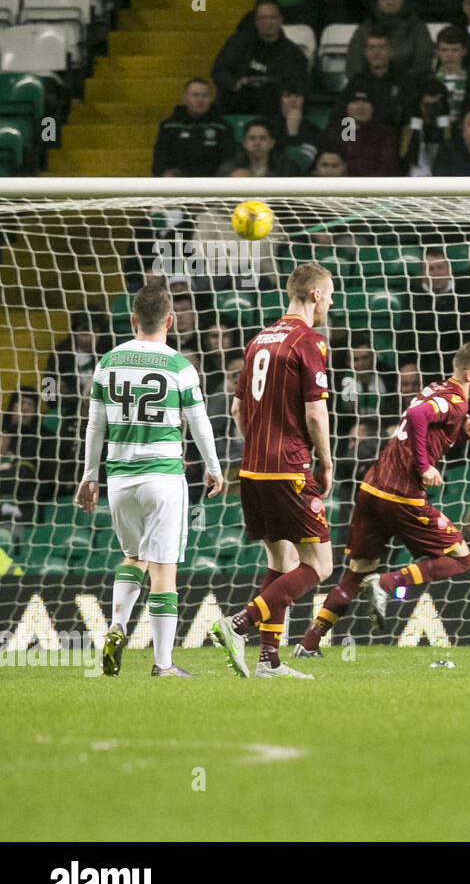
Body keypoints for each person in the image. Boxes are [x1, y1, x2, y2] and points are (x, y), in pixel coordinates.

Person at [294, 343, 470, 654]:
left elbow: (432, 432)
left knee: (356, 573)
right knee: (461, 558)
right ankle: (387, 584)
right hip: (402, 495)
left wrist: (465, 433)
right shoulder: (454, 400)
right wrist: (425, 466)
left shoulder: (435, 389)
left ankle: (309, 643)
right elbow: (416, 415)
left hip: (372, 488)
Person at [76, 283, 224, 678]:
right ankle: (162, 663)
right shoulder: (179, 365)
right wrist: (213, 466)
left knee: (132, 558)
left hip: (119, 480)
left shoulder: (108, 361)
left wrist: (90, 476)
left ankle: (116, 628)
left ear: (132, 319)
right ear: (170, 321)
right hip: (162, 477)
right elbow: (198, 423)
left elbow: (94, 426)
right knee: (163, 571)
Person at [209, 263, 336, 680]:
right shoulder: (309, 340)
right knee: (320, 565)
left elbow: (237, 408)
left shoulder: (258, 340)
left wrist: (256, 447)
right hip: (289, 465)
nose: (330, 304)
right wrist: (326, 460)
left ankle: (269, 660)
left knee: (281, 560)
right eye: (330, 295)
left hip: (253, 467)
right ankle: (238, 624)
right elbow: (316, 414)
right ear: (315, 293)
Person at [211, 0, 310, 116]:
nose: (268, 22)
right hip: (237, 107)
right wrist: (235, 84)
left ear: (280, 20)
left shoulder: (294, 54)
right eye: (263, 18)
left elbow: (299, 86)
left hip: (273, 111)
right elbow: (219, 72)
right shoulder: (237, 44)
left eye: (273, 17)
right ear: (256, 21)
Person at [345, 0, 436, 82]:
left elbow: (422, 65)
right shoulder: (365, 28)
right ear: (377, 1)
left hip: (409, 87)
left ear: (404, 0)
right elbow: (354, 66)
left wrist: (398, 85)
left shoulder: (418, 27)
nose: (391, 2)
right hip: (371, 88)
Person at [152, 79, 235, 177]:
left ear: (211, 99)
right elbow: (160, 160)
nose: (200, 100)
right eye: (195, 95)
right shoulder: (169, 126)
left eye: (205, 95)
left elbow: (229, 159)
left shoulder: (223, 127)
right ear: (185, 98)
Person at [218, 118, 302, 177]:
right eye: (252, 138)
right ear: (244, 143)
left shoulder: (287, 168)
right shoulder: (230, 168)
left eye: (263, 138)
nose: (257, 143)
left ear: (272, 143)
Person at [433, 25, 470, 123]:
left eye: (454, 50)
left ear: (463, 51)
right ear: (437, 52)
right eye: (444, 50)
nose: (449, 55)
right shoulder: (429, 81)